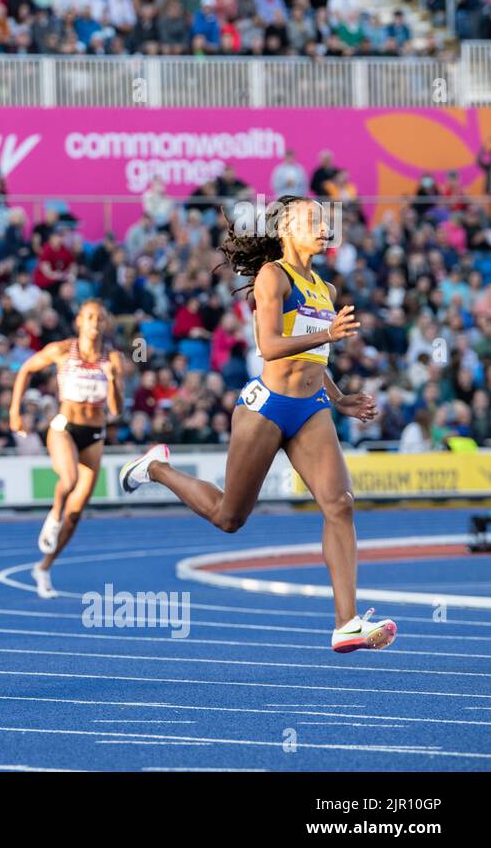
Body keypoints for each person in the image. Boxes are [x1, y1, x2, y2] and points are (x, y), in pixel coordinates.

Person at [119, 196, 396, 653]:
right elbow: (269, 346)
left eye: (324, 220)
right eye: (312, 220)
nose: (323, 226)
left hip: (310, 410)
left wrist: (339, 396)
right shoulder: (273, 276)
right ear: (287, 228)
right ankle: (156, 469)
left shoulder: (322, 286)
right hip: (266, 408)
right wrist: (328, 333)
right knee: (230, 518)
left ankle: (346, 622)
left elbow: (311, 356)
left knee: (340, 503)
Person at [9, 300, 125, 598]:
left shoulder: (112, 358)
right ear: (79, 321)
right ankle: (53, 515)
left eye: (100, 318)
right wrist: (15, 412)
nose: (95, 323)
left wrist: (112, 380)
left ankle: (44, 567)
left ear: (106, 323)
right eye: (89, 317)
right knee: (69, 480)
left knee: (78, 513)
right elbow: (25, 369)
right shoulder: (62, 350)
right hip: (64, 427)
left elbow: (116, 409)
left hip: (95, 434)